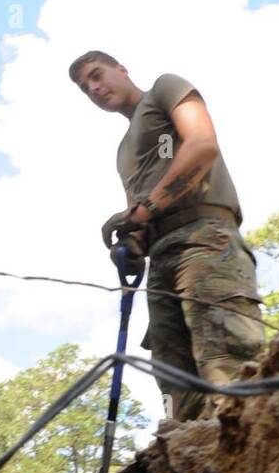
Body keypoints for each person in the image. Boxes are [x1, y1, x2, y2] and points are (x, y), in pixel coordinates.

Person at [69, 51, 265, 420]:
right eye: (84, 88)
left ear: (122, 69)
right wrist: (130, 240)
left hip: (204, 241)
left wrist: (146, 209)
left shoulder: (165, 88)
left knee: (229, 368)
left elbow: (202, 145)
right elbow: (138, 215)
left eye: (97, 75)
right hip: (161, 260)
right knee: (177, 391)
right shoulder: (123, 151)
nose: (93, 88)